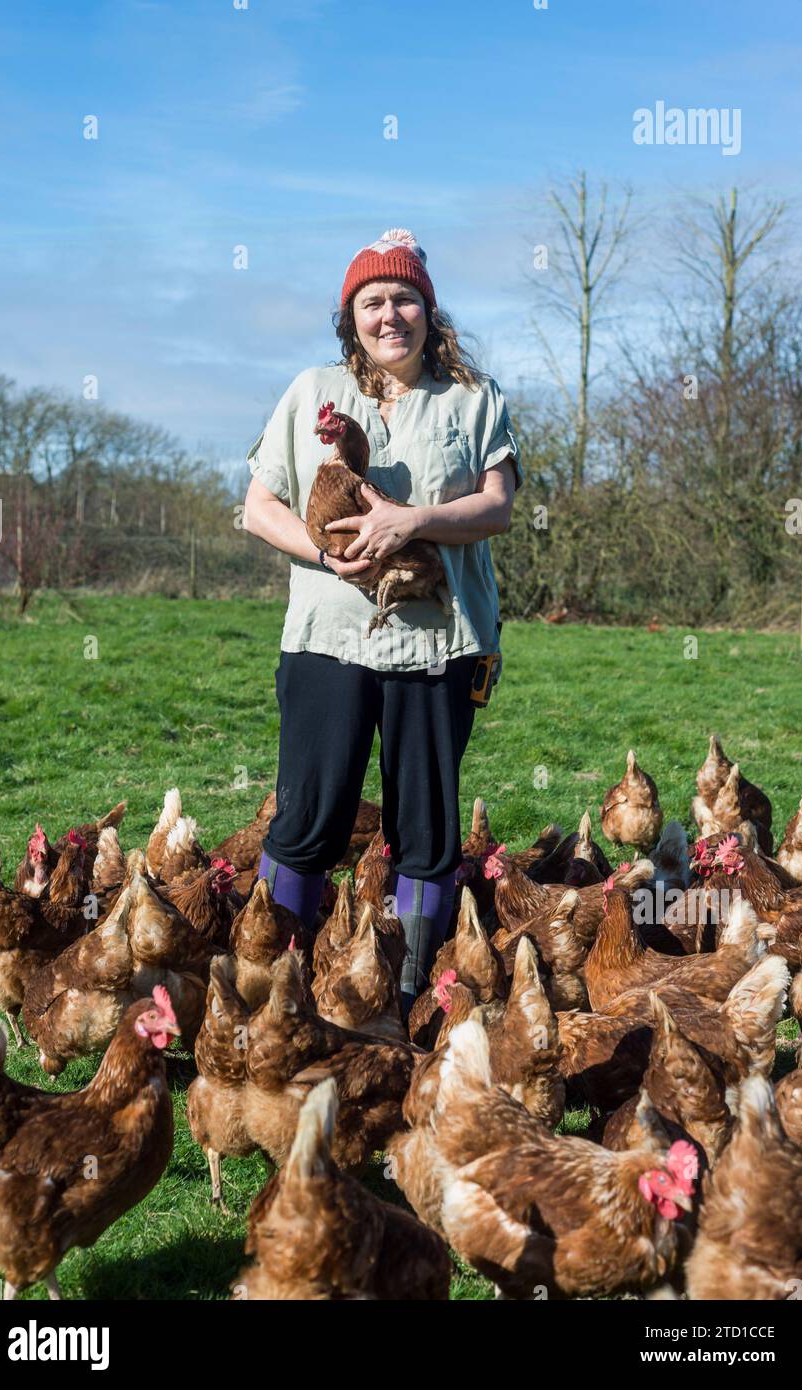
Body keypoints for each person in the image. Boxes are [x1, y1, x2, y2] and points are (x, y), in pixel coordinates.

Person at [244, 227, 521, 1013]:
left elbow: (497, 506)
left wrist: (413, 521)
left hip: (439, 638)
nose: (388, 314)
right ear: (350, 317)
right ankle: (277, 991)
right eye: (372, 301)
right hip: (328, 638)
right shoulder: (311, 390)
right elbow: (259, 507)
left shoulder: (474, 399)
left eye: (404, 299)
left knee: (425, 831)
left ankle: (404, 998)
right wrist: (322, 553)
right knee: (307, 819)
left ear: (429, 312)